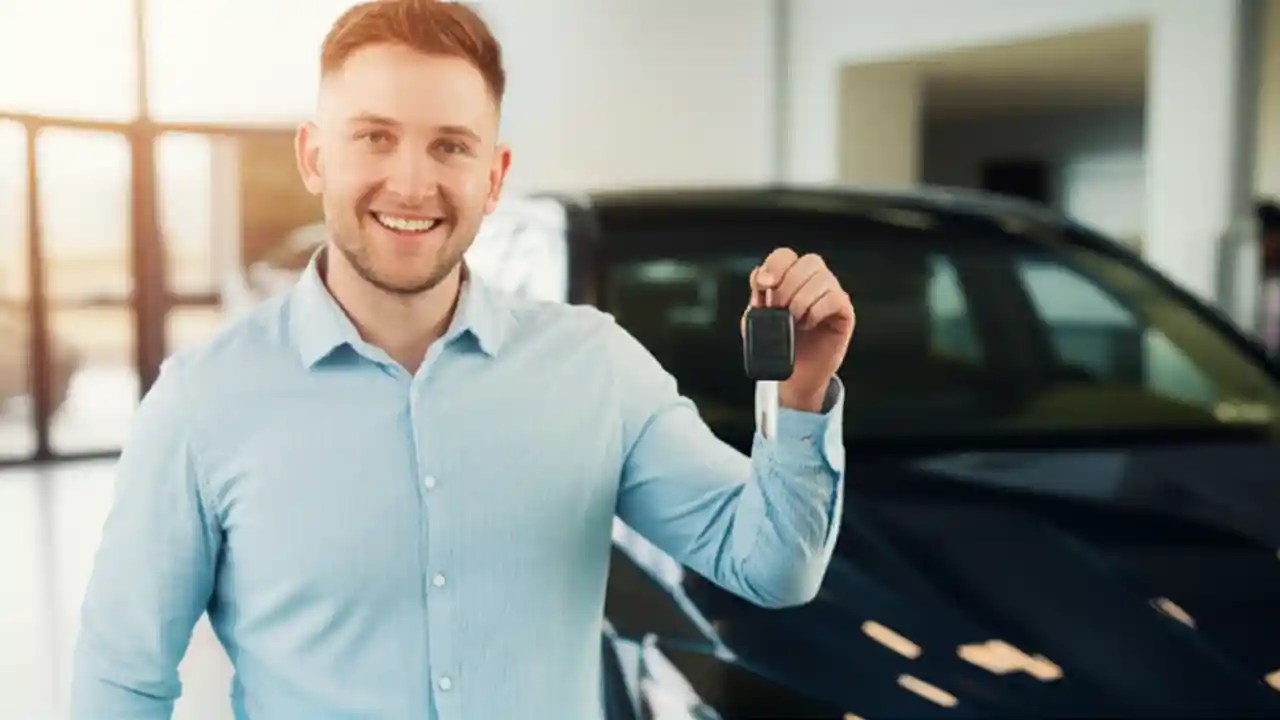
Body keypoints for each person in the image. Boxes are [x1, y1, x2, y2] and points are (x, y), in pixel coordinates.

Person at [69, 1, 856, 718]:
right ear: (314, 157)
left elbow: (772, 568)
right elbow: (124, 681)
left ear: (494, 177)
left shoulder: (594, 366)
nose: (411, 183)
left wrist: (800, 397)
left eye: (450, 145)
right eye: (375, 136)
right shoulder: (203, 402)